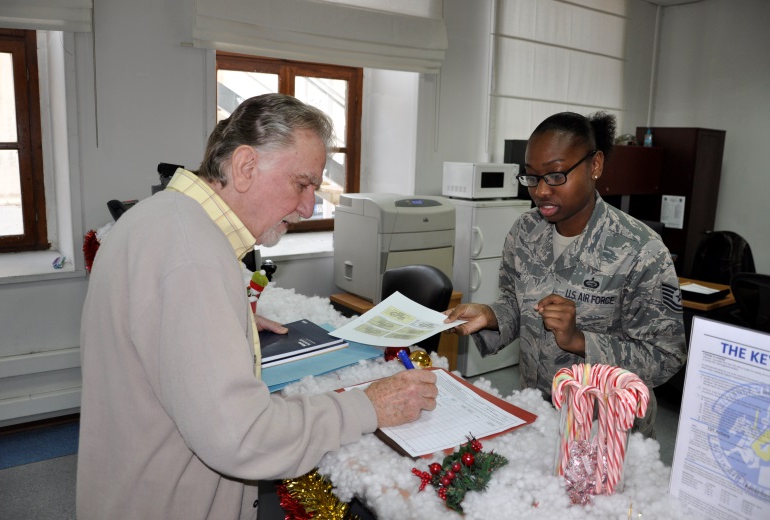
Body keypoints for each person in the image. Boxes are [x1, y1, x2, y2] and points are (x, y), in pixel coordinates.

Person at [77, 93, 438, 519]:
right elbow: (242, 438)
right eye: (301, 184)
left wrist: (229, 320)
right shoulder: (191, 255)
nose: (307, 207)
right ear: (246, 166)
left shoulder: (161, 217)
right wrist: (368, 406)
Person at [444, 111, 686, 437]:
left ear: (595, 165)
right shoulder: (524, 232)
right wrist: (489, 315)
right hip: (539, 415)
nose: (541, 191)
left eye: (556, 175)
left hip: (608, 429)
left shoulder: (641, 250)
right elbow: (517, 307)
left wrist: (579, 341)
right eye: (532, 176)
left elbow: (666, 356)